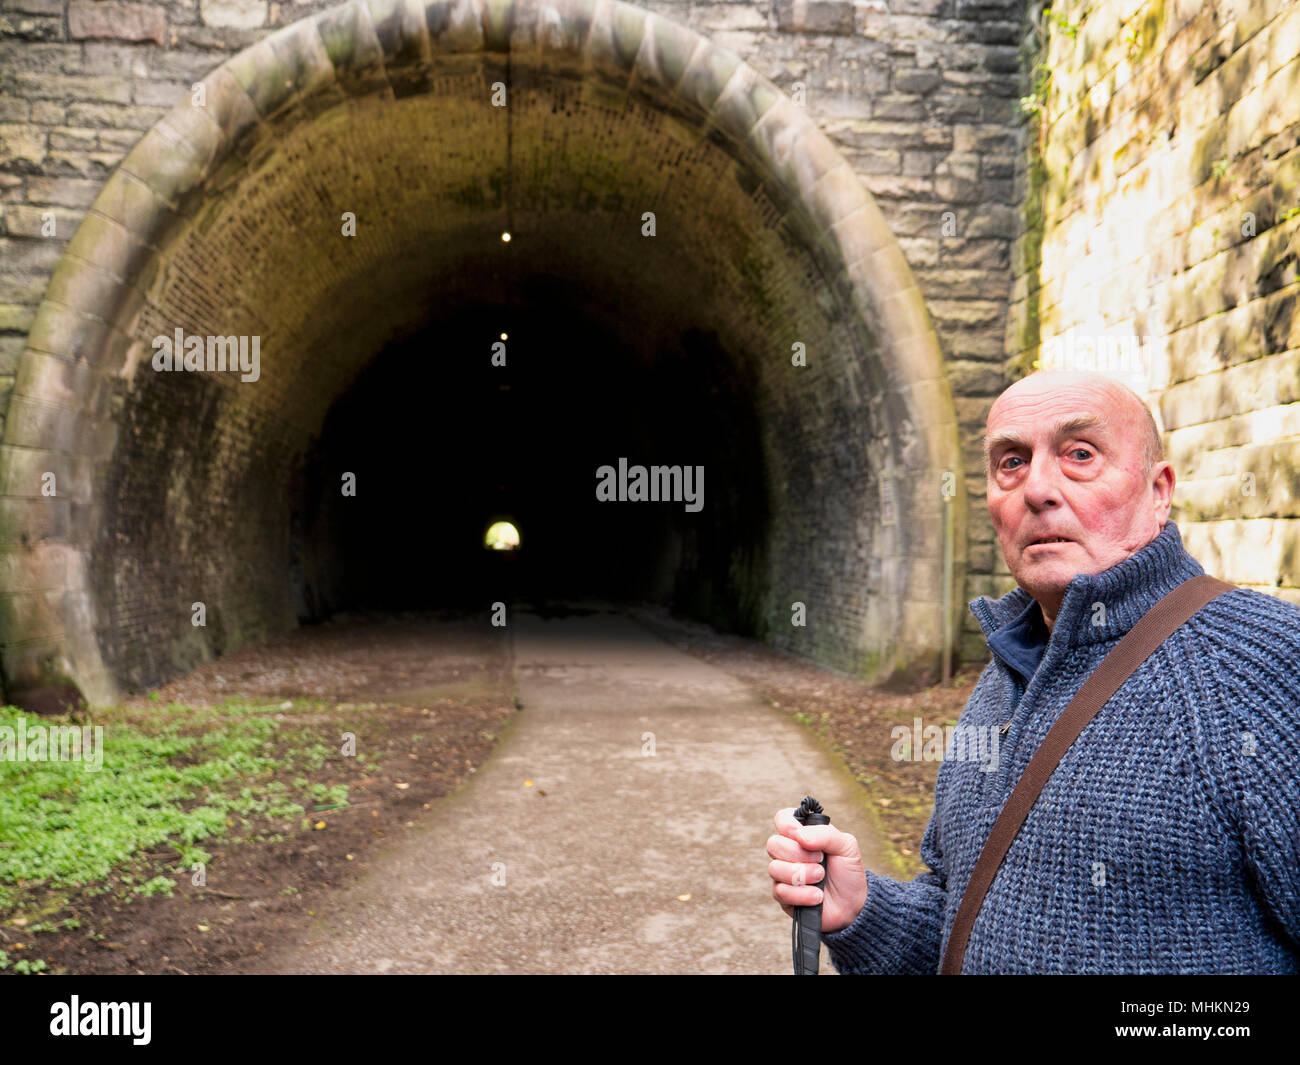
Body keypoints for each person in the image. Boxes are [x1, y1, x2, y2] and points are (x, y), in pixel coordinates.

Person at [767, 369, 1300, 973]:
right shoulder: (1008, 671)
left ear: (1158, 491)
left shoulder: (1264, 667)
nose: (1038, 488)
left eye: (1079, 454)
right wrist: (863, 913)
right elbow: (961, 921)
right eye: (1011, 462)